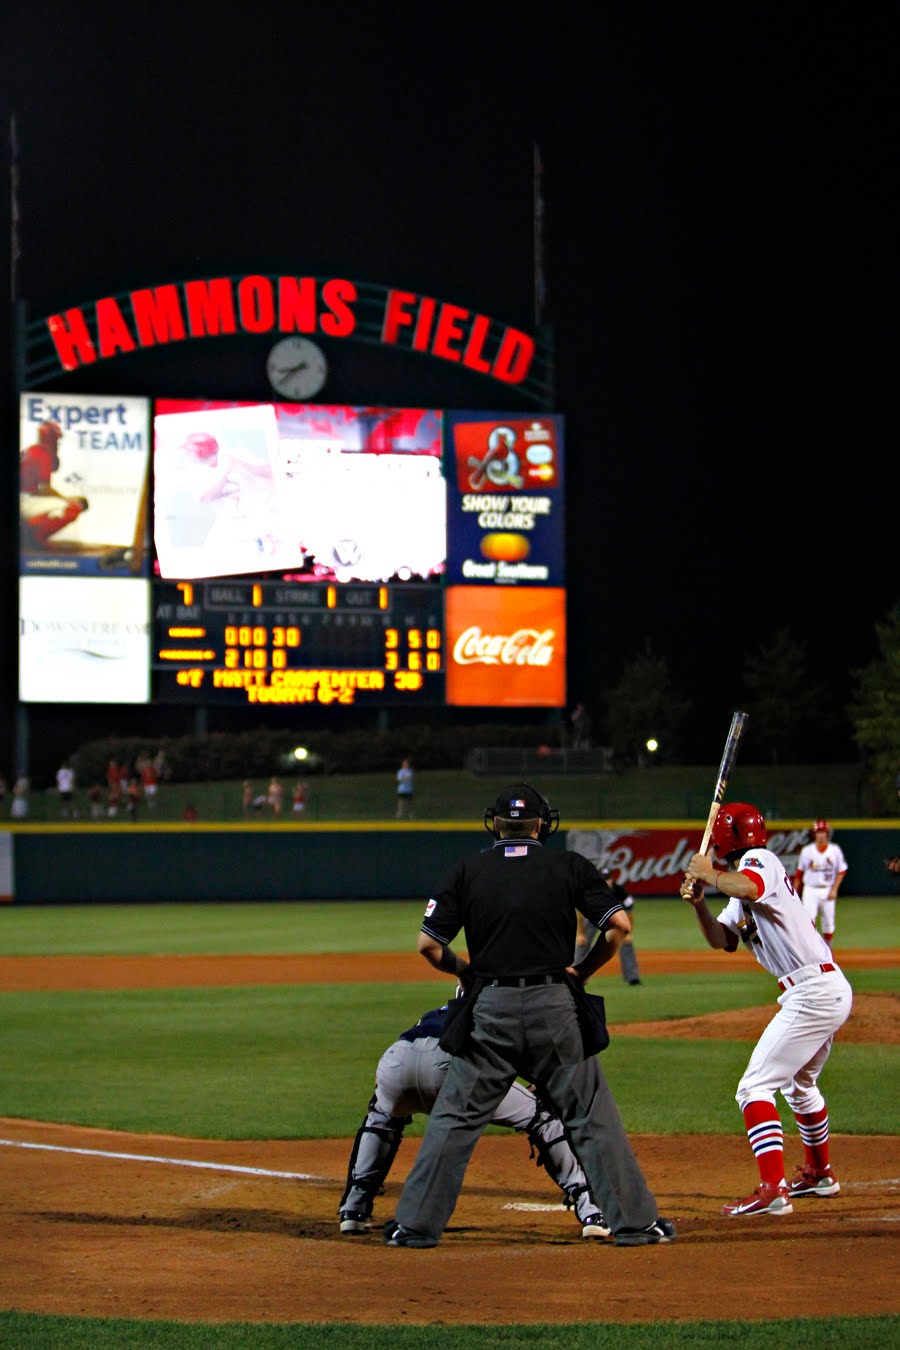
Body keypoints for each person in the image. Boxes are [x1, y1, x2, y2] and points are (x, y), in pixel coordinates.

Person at [383, 782, 675, 1249]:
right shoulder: (568, 866)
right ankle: (635, 1224)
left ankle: (415, 1227)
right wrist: (581, 972)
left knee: (454, 1121)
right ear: (542, 824)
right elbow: (619, 927)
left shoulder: (469, 870)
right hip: (555, 1010)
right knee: (591, 1118)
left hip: (489, 1012)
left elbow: (428, 946)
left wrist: (468, 972)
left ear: (495, 824)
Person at [681, 801, 853, 1217]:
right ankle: (819, 1173)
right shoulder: (738, 882)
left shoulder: (760, 861)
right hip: (821, 989)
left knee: (753, 1087)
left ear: (724, 839)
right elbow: (723, 939)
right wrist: (700, 903)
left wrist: (709, 872)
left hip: (811, 990)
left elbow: (750, 887)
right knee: (798, 1085)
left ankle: (773, 1189)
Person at [338, 995, 610, 1239]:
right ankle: (591, 1209)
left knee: (382, 1118)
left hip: (396, 1061)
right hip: (448, 1066)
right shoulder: (498, 1009)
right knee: (542, 1117)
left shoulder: (442, 1010)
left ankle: (354, 1210)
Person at [19, 420, 90, 550]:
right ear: (51, 438)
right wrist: (66, 499)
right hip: (25, 502)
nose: (57, 443)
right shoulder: (43, 453)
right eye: (56, 439)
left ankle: (28, 532)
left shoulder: (31, 450)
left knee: (64, 504)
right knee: (73, 507)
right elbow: (44, 489)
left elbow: (38, 489)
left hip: (25, 499)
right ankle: (33, 539)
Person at [575, 868, 641, 985]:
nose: (606, 883)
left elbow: (630, 912)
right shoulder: (590, 890)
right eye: (603, 880)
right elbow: (580, 912)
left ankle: (632, 977)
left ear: (612, 880)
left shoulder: (620, 891)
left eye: (608, 880)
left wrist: (629, 934)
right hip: (592, 918)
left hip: (614, 919)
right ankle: (575, 976)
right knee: (582, 943)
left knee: (626, 942)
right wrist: (580, 934)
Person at [793, 819, 848, 949]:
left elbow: (842, 870)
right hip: (810, 890)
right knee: (808, 920)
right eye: (819, 832)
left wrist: (834, 889)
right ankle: (810, 949)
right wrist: (794, 891)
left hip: (827, 889)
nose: (821, 835)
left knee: (828, 922)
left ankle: (828, 950)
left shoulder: (834, 850)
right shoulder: (807, 850)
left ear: (827, 834)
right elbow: (799, 873)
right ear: (815, 834)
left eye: (823, 832)